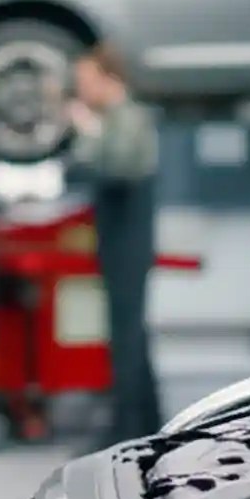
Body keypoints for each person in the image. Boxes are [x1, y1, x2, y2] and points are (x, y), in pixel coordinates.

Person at [67, 42, 164, 450]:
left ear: (110, 79)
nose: (82, 91)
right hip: (119, 244)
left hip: (127, 244)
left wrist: (88, 135)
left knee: (125, 335)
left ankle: (127, 426)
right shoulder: (116, 120)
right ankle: (147, 419)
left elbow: (120, 169)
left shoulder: (128, 119)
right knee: (129, 335)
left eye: (86, 82)